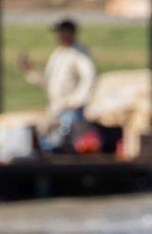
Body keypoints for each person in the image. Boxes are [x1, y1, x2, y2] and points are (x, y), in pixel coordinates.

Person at [18, 19, 98, 152]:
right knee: (53, 143)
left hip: (72, 110)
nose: (60, 36)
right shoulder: (58, 53)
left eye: (63, 32)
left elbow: (89, 78)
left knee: (67, 144)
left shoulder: (79, 53)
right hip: (57, 108)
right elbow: (49, 80)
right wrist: (31, 71)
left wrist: (77, 100)